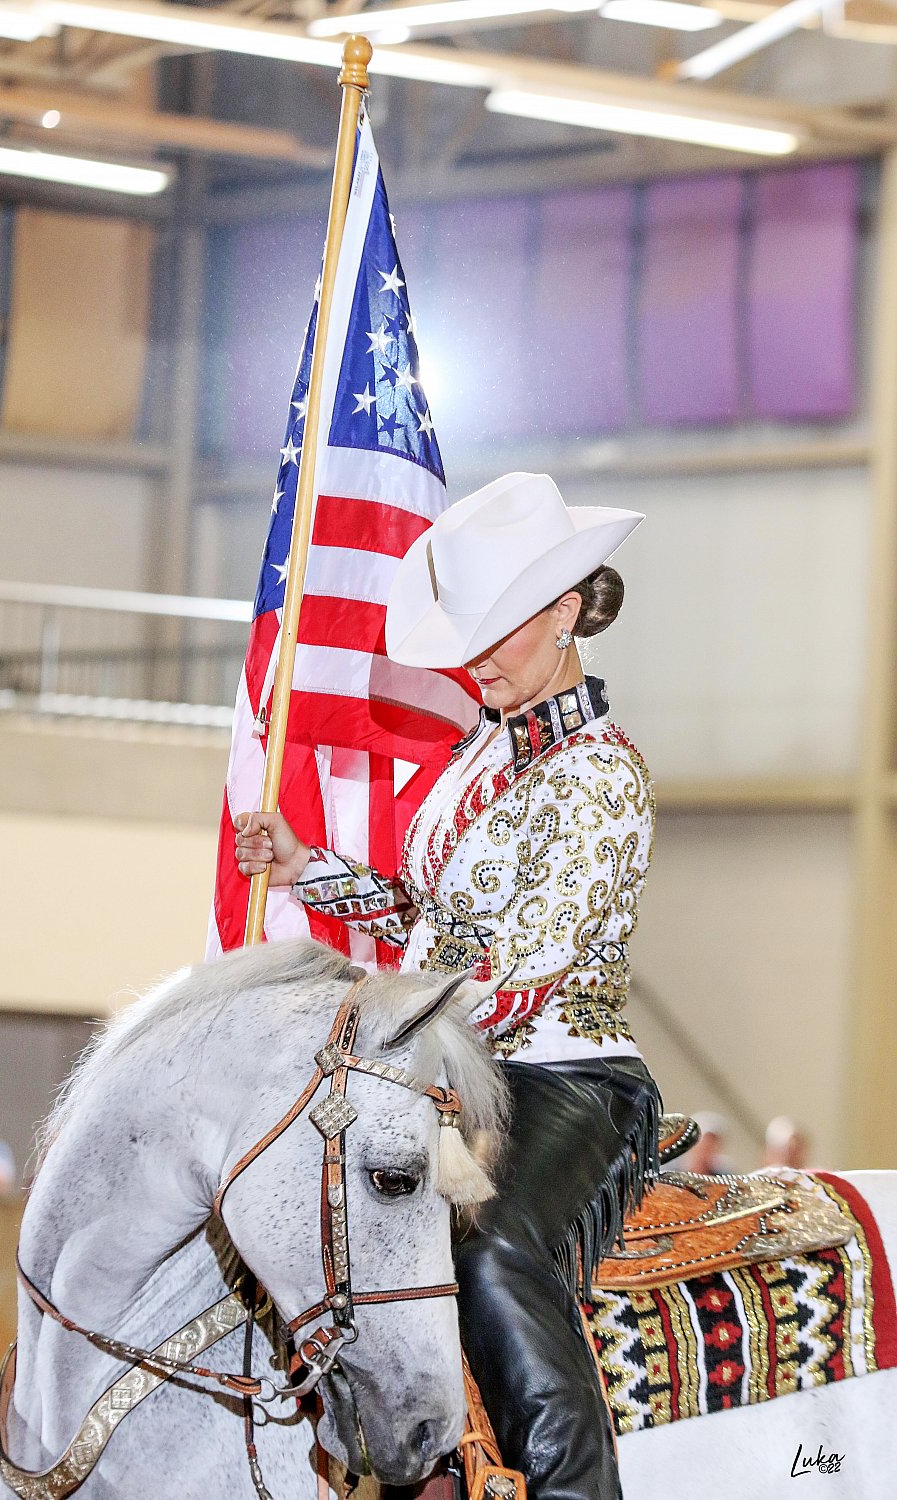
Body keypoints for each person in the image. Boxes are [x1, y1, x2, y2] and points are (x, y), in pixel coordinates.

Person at [235, 472, 661, 1500]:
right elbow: (435, 921)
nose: (474, 663)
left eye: (495, 634)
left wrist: (366, 1025)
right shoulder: (478, 758)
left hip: (564, 1080)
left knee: (491, 1249)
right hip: (439, 1073)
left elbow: (513, 981)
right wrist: (310, 871)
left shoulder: (601, 775)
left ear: (563, 615)